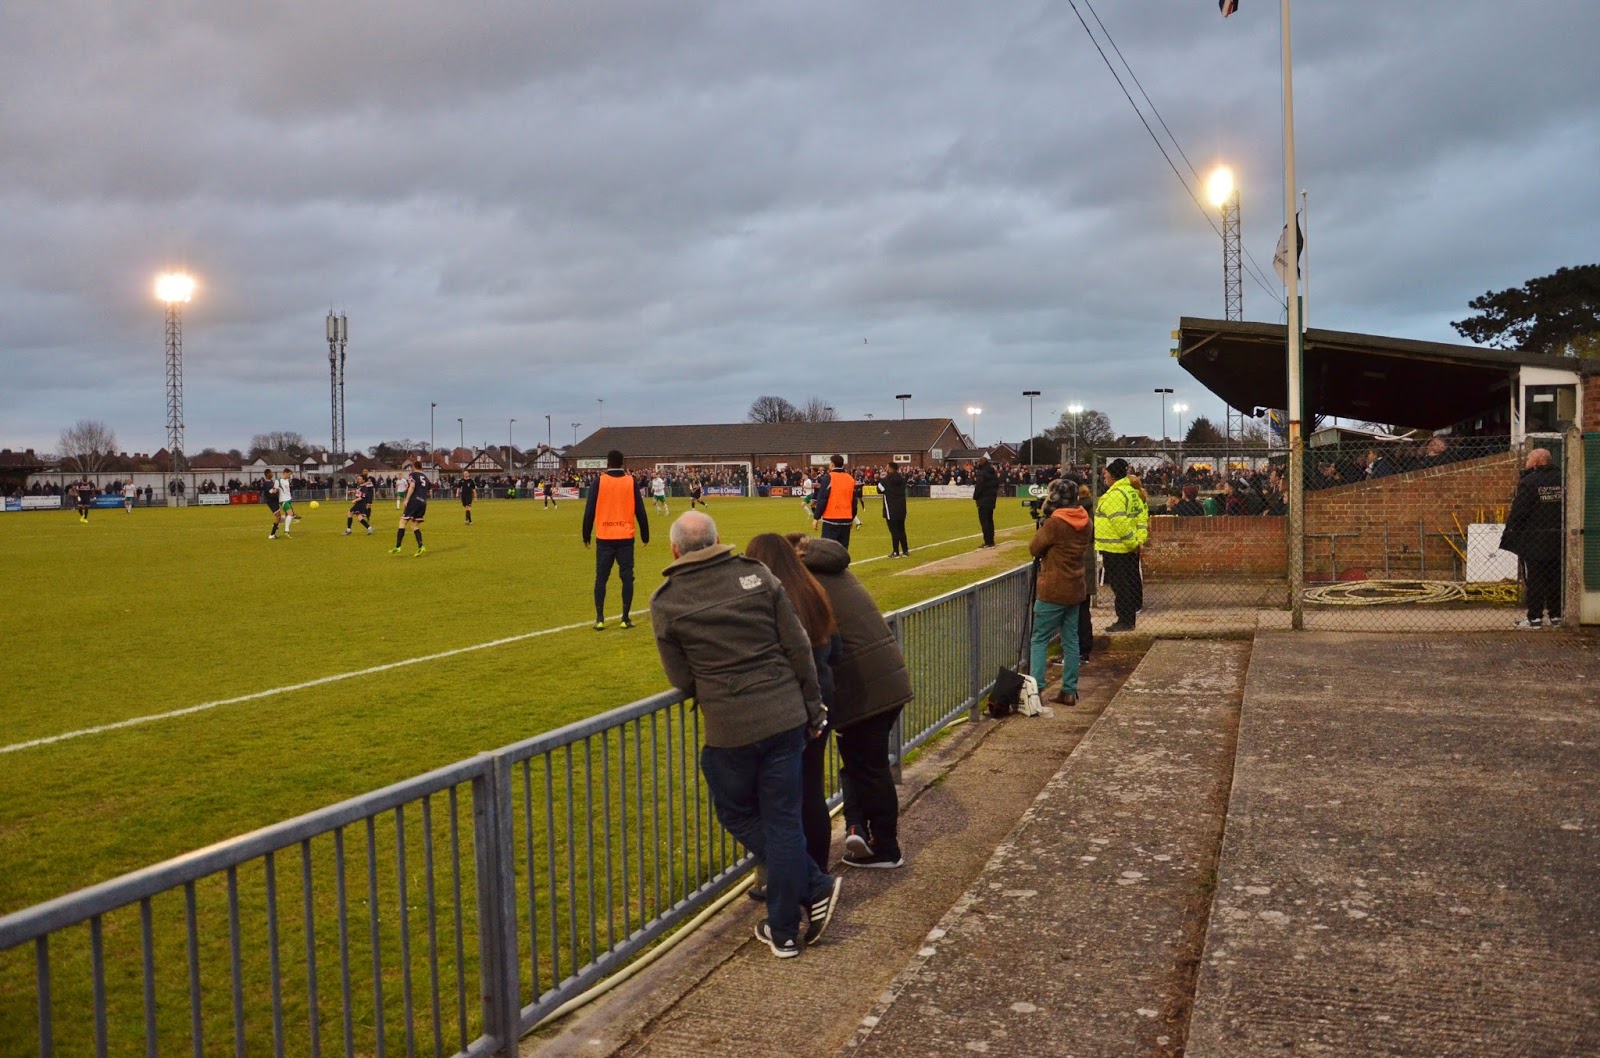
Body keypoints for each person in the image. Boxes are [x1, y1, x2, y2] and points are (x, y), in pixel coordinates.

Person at [650, 512, 840, 958]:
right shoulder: (756, 576)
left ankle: (793, 918)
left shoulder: (667, 600)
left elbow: (681, 677)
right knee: (782, 820)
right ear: (718, 540)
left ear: (675, 551)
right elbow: (798, 649)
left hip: (731, 726)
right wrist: (813, 708)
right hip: (785, 718)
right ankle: (801, 905)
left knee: (739, 812)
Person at [789, 532, 915, 869]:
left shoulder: (806, 582)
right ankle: (861, 832)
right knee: (862, 763)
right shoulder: (832, 568)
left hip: (866, 686)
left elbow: (823, 645)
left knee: (869, 767)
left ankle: (886, 847)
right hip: (882, 676)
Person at [746, 533, 842, 874]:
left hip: (787, 708)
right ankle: (817, 870)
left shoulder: (770, 600)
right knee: (811, 790)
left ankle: (791, 876)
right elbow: (837, 650)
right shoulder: (814, 591)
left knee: (778, 798)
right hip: (820, 701)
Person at [1029, 479, 1092, 707]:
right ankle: (1069, 690)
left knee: (1039, 639)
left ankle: (1035, 690)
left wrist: (1044, 522)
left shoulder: (1055, 524)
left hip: (1053, 588)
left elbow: (1034, 548)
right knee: (1071, 640)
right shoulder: (1086, 522)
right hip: (1075, 588)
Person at [582, 449, 650, 630]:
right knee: (627, 578)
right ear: (622, 463)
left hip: (604, 536)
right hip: (625, 536)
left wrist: (586, 534)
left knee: (601, 578)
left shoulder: (599, 481)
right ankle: (625, 618)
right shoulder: (630, 481)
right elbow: (640, 509)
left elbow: (590, 509)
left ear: (607, 463)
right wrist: (645, 534)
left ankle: (600, 618)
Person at [1500, 447, 1564, 629]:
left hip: (1535, 539)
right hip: (1558, 537)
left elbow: (1520, 511)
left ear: (1536, 461)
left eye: (1529, 457)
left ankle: (1535, 618)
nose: (1526, 460)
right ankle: (1556, 616)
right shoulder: (1562, 479)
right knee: (1555, 578)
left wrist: (1512, 532)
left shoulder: (1529, 482)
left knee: (1535, 579)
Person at [1095, 459, 1146, 633]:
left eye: (1106, 475)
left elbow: (1120, 522)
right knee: (1130, 582)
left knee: (1120, 585)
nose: (1105, 478)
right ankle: (1128, 617)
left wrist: (1132, 542)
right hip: (1128, 547)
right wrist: (1139, 540)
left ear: (1113, 476)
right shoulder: (1131, 492)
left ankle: (1124, 620)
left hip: (1116, 548)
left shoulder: (1115, 494)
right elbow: (1141, 517)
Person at [810, 455, 859, 550]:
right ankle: (843, 565)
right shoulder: (850, 479)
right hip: (846, 519)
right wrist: (852, 517)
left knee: (827, 550)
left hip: (831, 518)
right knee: (843, 550)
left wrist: (816, 517)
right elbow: (854, 501)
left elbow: (822, 499)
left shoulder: (828, 478)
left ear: (832, 464)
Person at [391, 460, 431, 556]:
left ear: (413, 467)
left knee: (402, 522)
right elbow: (428, 492)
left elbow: (412, 486)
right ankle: (421, 546)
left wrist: (407, 499)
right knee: (414, 525)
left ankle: (398, 546)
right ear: (422, 467)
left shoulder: (413, 475)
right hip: (423, 503)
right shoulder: (426, 478)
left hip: (414, 501)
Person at [880, 463, 910, 558]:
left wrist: (881, 480)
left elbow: (879, 489)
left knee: (894, 531)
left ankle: (896, 551)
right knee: (901, 529)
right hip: (901, 507)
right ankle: (905, 550)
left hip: (890, 508)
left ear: (890, 468)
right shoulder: (902, 479)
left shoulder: (885, 480)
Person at [972, 454, 999, 548]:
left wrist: (975, 496)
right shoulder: (993, 473)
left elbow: (979, 486)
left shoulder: (982, 473)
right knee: (990, 520)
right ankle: (991, 540)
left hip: (983, 500)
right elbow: (996, 485)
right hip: (991, 500)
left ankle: (987, 541)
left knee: (984, 522)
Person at [344, 471, 376, 535]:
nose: (358, 480)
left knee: (349, 514)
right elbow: (358, 492)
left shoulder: (364, 487)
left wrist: (355, 500)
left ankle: (348, 530)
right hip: (359, 504)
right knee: (359, 517)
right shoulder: (360, 486)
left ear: (364, 480)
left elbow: (362, 497)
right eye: (358, 479)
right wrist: (351, 491)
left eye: (360, 479)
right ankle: (369, 528)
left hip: (360, 504)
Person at [263, 470, 284, 538]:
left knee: (280, 516)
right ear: (267, 474)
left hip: (275, 500)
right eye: (271, 473)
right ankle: (272, 534)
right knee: (278, 517)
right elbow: (271, 492)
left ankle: (275, 525)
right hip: (271, 501)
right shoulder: (266, 483)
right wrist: (277, 491)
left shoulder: (271, 481)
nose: (272, 474)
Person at [276, 470, 297, 534]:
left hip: (288, 499)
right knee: (291, 514)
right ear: (285, 473)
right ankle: (286, 530)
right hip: (283, 500)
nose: (289, 476)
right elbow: (275, 489)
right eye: (289, 474)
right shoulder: (278, 480)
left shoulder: (287, 480)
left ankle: (276, 524)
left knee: (286, 515)